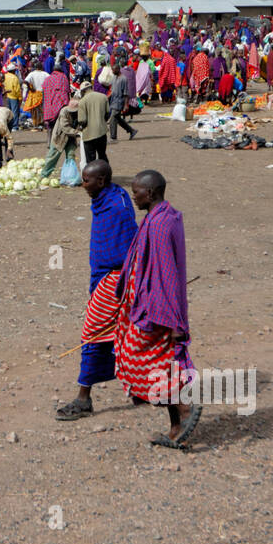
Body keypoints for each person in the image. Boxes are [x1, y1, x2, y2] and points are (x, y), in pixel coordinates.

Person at [113, 170, 201, 447]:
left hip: (156, 310)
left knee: (134, 358)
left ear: (149, 193)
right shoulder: (158, 217)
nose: (133, 195)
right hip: (150, 306)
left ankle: (185, 407)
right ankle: (177, 428)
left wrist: (174, 321)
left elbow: (167, 274)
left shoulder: (161, 224)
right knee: (162, 365)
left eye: (136, 191)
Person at [56, 158, 137, 421]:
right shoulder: (110, 198)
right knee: (122, 333)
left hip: (115, 280)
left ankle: (83, 398)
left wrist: (120, 281)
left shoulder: (117, 207)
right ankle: (139, 387)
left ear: (101, 181)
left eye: (87, 180)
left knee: (92, 334)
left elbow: (124, 250)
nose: (82, 184)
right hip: (105, 277)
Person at [76, 88, 111, 164]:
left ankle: (93, 175)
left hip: (89, 134)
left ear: (83, 91)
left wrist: (80, 127)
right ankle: (105, 173)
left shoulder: (82, 101)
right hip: (102, 132)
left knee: (91, 159)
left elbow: (82, 120)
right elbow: (108, 113)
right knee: (102, 155)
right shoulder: (103, 97)